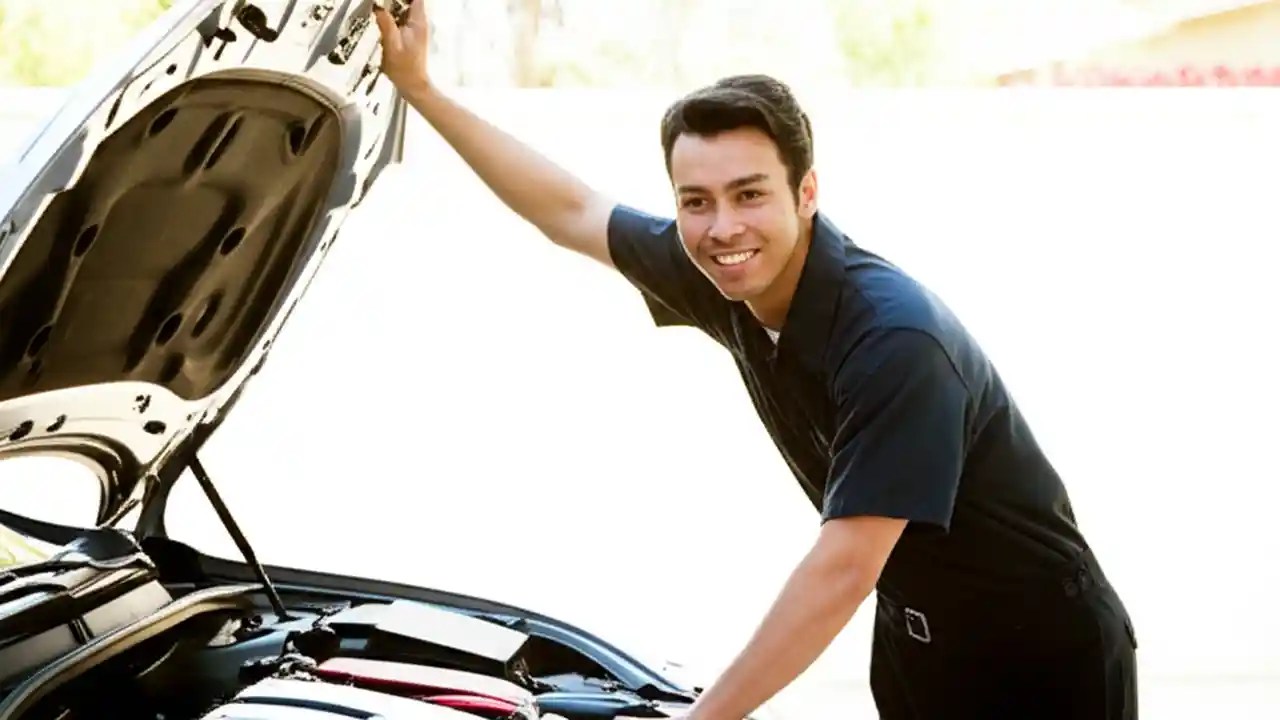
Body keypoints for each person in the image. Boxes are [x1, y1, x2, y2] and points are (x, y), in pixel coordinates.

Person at [372, 3, 1139, 719]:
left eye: (749, 194)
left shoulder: (897, 344)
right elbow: (570, 210)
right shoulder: (719, 269)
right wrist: (421, 89)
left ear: (806, 193)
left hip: (1040, 661)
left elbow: (842, 569)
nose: (722, 227)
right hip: (919, 642)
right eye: (695, 200)